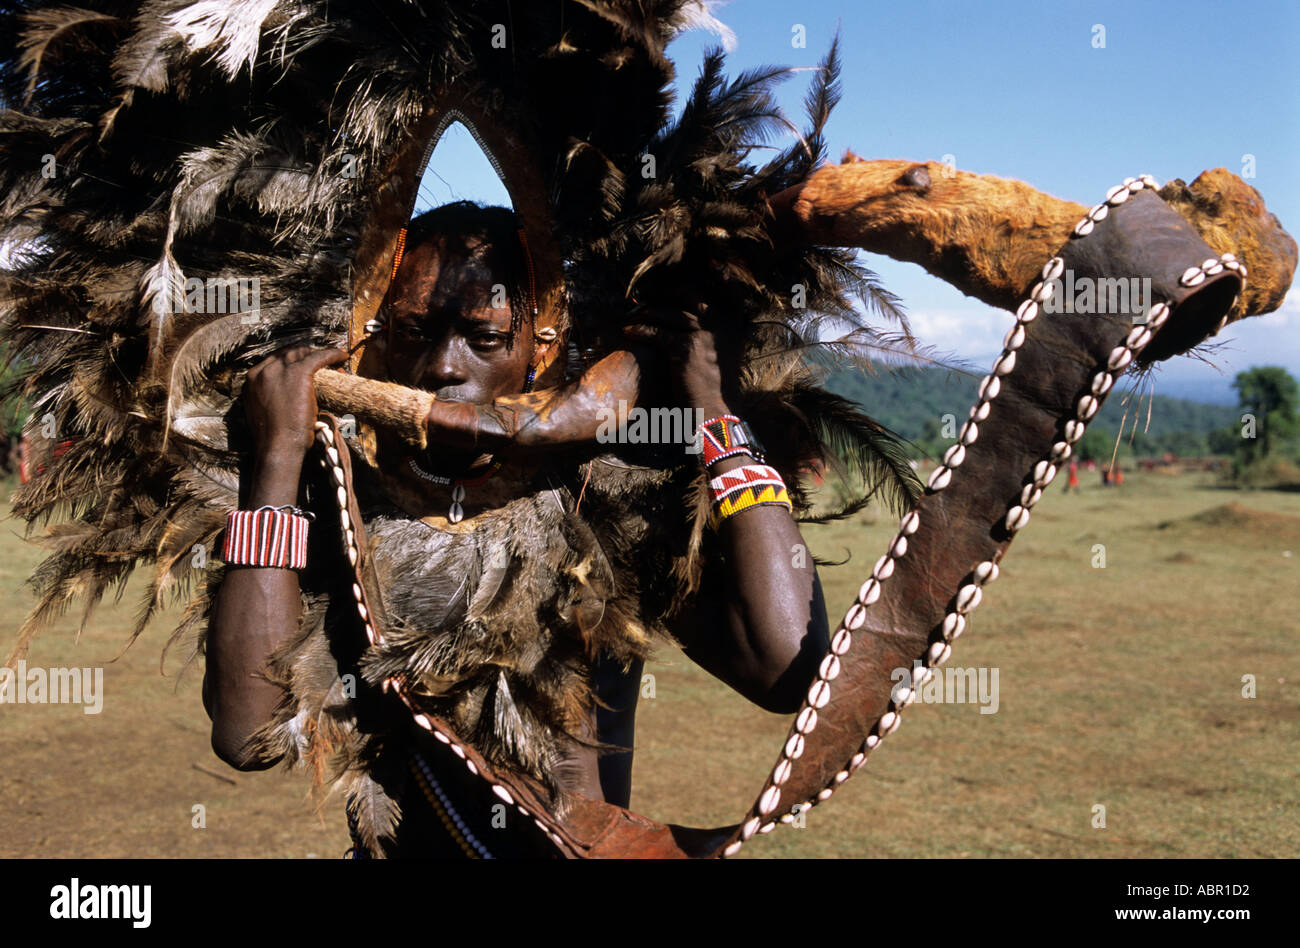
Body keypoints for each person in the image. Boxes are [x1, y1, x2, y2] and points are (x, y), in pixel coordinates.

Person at [202, 202, 830, 856]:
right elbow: (250, 733)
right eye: (417, 330)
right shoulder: (342, 500)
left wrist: (716, 414)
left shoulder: (602, 495)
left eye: (484, 336)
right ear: (378, 340)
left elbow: (789, 670)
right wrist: (275, 460)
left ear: (541, 346)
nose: (445, 366)